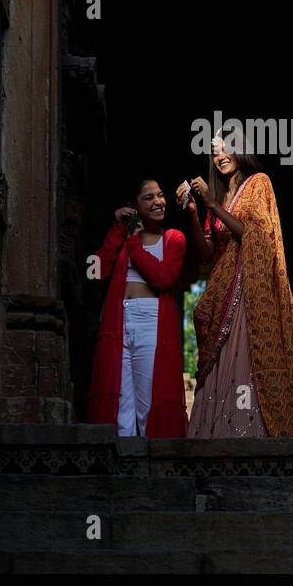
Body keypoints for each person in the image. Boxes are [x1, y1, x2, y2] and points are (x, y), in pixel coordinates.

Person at [177, 139, 293, 437]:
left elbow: (255, 235)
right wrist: (194, 212)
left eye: (225, 148)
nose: (219, 156)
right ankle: (215, 431)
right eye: (214, 152)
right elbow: (207, 255)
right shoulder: (220, 199)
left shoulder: (259, 183)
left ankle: (248, 430)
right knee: (221, 361)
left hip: (250, 289)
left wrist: (210, 204)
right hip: (223, 291)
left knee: (247, 358)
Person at [84, 179, 188, 438]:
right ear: (134, 207)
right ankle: (124, 469)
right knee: (121, 403)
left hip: (151, 320)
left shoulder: (173, 238)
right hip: (119, 320)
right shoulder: (122, 237)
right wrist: (118, 230)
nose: (158, 202)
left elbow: (163, 278)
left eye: (161, 195)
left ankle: (152, 470)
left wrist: (133, 245)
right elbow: (94, 271)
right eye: (148, 197)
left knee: (148, 401)